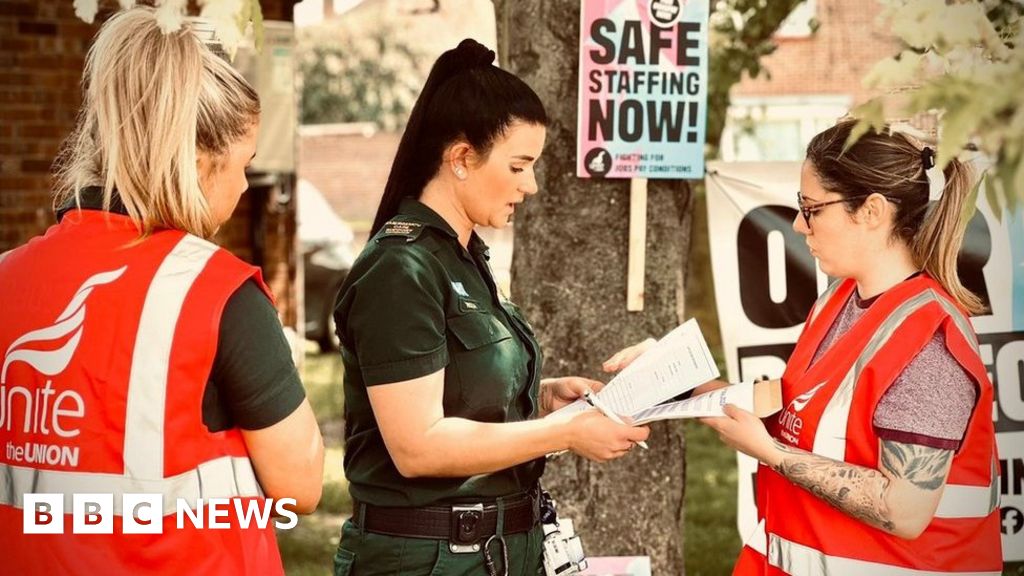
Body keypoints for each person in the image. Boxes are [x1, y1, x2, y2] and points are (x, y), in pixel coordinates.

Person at [0, 7, 324, 575]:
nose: (243, 187)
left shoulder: (8, 277)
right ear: (196, 164)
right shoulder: (218, 293)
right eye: (242, 166)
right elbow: (301, 486)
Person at [611, 118, 1003, 574]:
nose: (799, 225)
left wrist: (770, 453)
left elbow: (904, 510)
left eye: (811, 208)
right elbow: (795, 416)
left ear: (872, 211)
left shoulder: (929, 341)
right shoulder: (838, 300)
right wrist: (679, 379)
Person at [332, 39, 650, 576]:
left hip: (498, 551)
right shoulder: (401, 269)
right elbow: (418, 446)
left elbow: (457, 389)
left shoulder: (463, 257)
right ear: (461, 158)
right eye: (520, 166)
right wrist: (566, 432)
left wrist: (541, 398)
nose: (532, 185)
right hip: (428, 560)